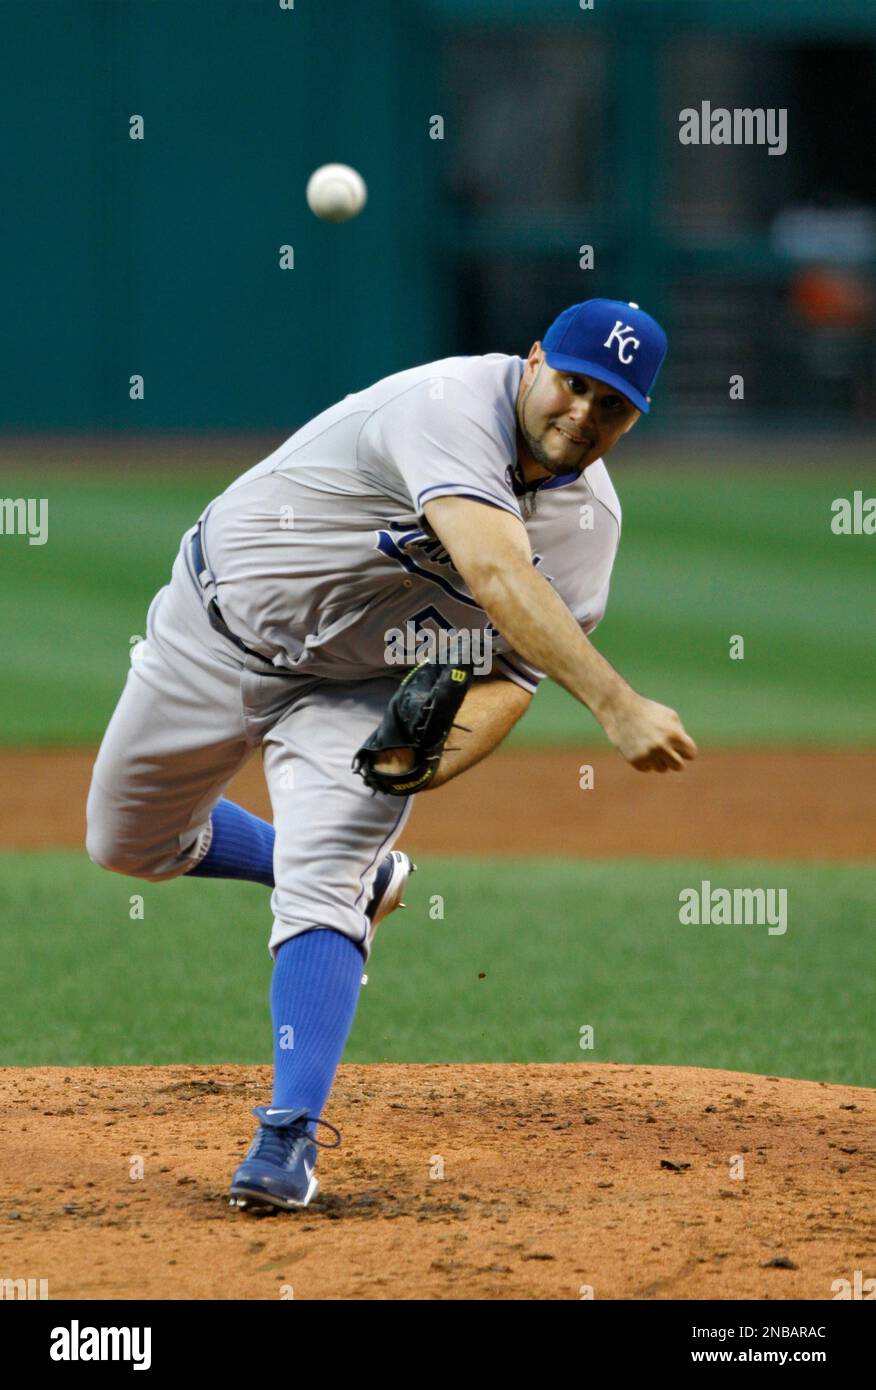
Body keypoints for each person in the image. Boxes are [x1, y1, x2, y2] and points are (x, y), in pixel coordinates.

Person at [86, 297, 697, 1211]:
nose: (584, 414)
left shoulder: (588, 529)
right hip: (214, 633)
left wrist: (426, 762)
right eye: (574, 385)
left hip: (363, 685)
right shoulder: (448, 406)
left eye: (612, 405)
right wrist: (616, 703)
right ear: (534, 361)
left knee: (323, 873)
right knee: (128, 846)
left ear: (634, 419)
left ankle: (287, 1138)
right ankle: (356, 878)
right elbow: (495, 571)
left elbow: (510, 679)